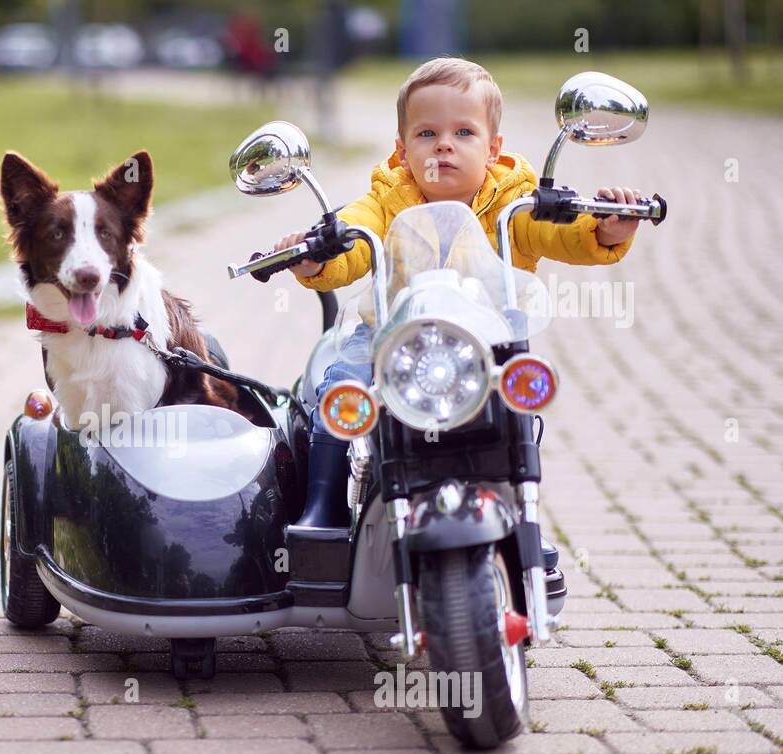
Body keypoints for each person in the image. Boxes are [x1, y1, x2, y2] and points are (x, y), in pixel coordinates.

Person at [275, 56, 646, 527]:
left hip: (485, 341)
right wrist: (319, 253)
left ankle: (522, 512)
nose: (443, 146)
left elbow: (561, 233)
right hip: (390, 338)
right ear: (402, 149)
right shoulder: (387, 199)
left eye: (463, 134)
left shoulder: (515, 203)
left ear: (494, 148)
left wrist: (606, 229)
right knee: (342, 388)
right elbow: (354, 235)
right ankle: (322, 509)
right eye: (426, 134)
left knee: (519, 402)